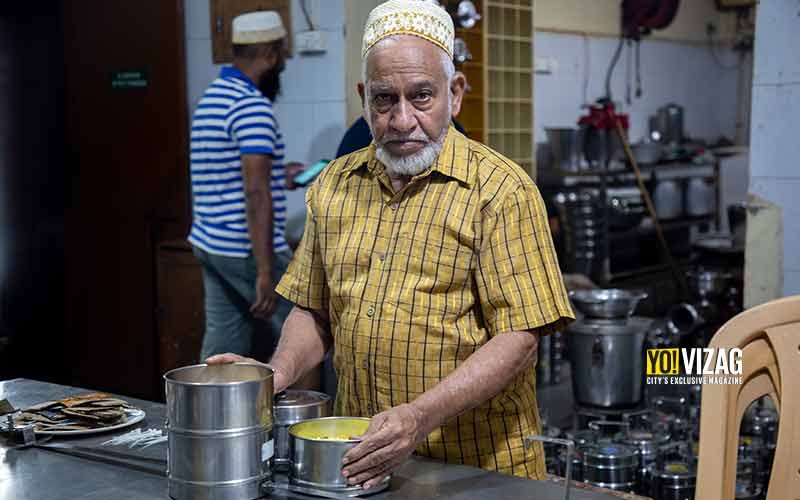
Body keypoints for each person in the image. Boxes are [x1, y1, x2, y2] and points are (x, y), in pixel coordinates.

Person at [209, 0, 574, 487]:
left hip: (476, 467)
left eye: (422, 96)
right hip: (363, 461)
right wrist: (274, 377)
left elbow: (520, 338)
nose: (402, 120)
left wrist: (419, 416)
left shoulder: (501, 191)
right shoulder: (335, 184)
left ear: (456, 93)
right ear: (364, 98)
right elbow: (315, 311)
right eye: (384, 99)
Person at [188, 11, 303, 362]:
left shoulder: (213, 99)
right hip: (243, 250)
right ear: (269, 55)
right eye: (280, 58)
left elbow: (228, 174)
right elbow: (255, 193)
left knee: (223, 346)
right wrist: (266, 270)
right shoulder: (252, 107)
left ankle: (203, 416)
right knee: (309, 332)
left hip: (211, 243)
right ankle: (316, 415)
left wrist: (279, 176)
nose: (281, 68)